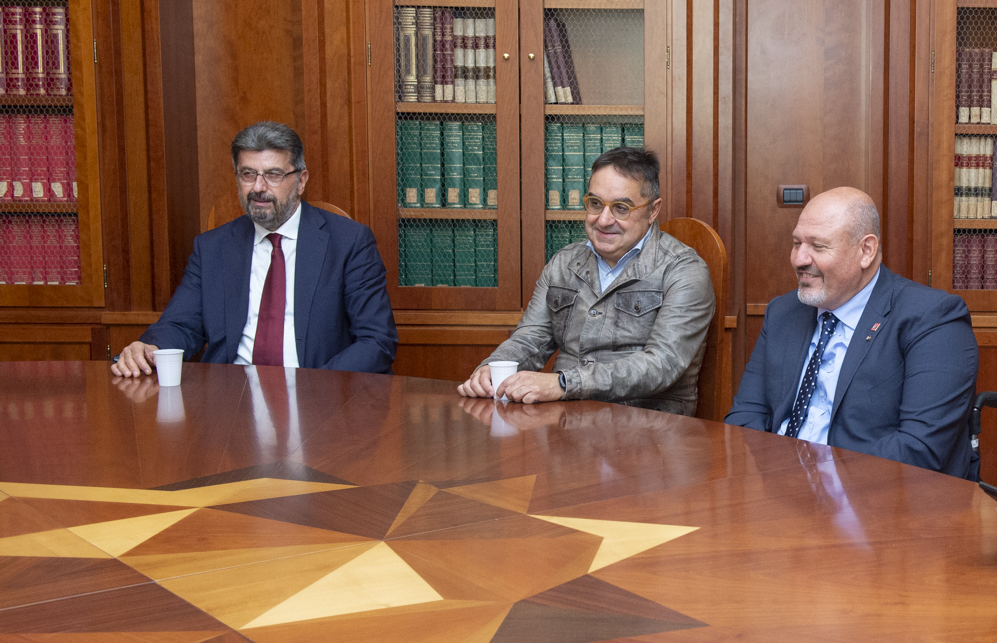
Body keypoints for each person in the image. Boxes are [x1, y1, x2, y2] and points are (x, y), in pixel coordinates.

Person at [726, 187, 979, 477]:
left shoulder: (931, 318)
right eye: (797, 243)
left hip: (874, 504)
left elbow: (918, 449)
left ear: (866, 251)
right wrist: (783, 480)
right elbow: (744, 418)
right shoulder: (784, 312)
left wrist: (816, 479)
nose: (799, 259)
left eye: (818, 247)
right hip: (778, 493)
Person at [113, 121, 397, 376]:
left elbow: (376, 341)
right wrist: (149, 347)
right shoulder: (212, 247)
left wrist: (315, 390)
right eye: (248, 174)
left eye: (273, 174)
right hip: (231, 403)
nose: (258, 187)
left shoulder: (349, 242)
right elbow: (180, 325)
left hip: (320, 401)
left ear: (300, 181)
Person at [459, 147, 714, 415]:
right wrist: (492, 368)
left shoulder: (684, 270)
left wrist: (565, 384)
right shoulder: (564, 263)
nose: (603, 220)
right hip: (566, 424)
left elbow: (663, 365)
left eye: (621, 208)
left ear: (653, 210)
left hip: (649, 431)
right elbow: (530, 338)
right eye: (595, 204)